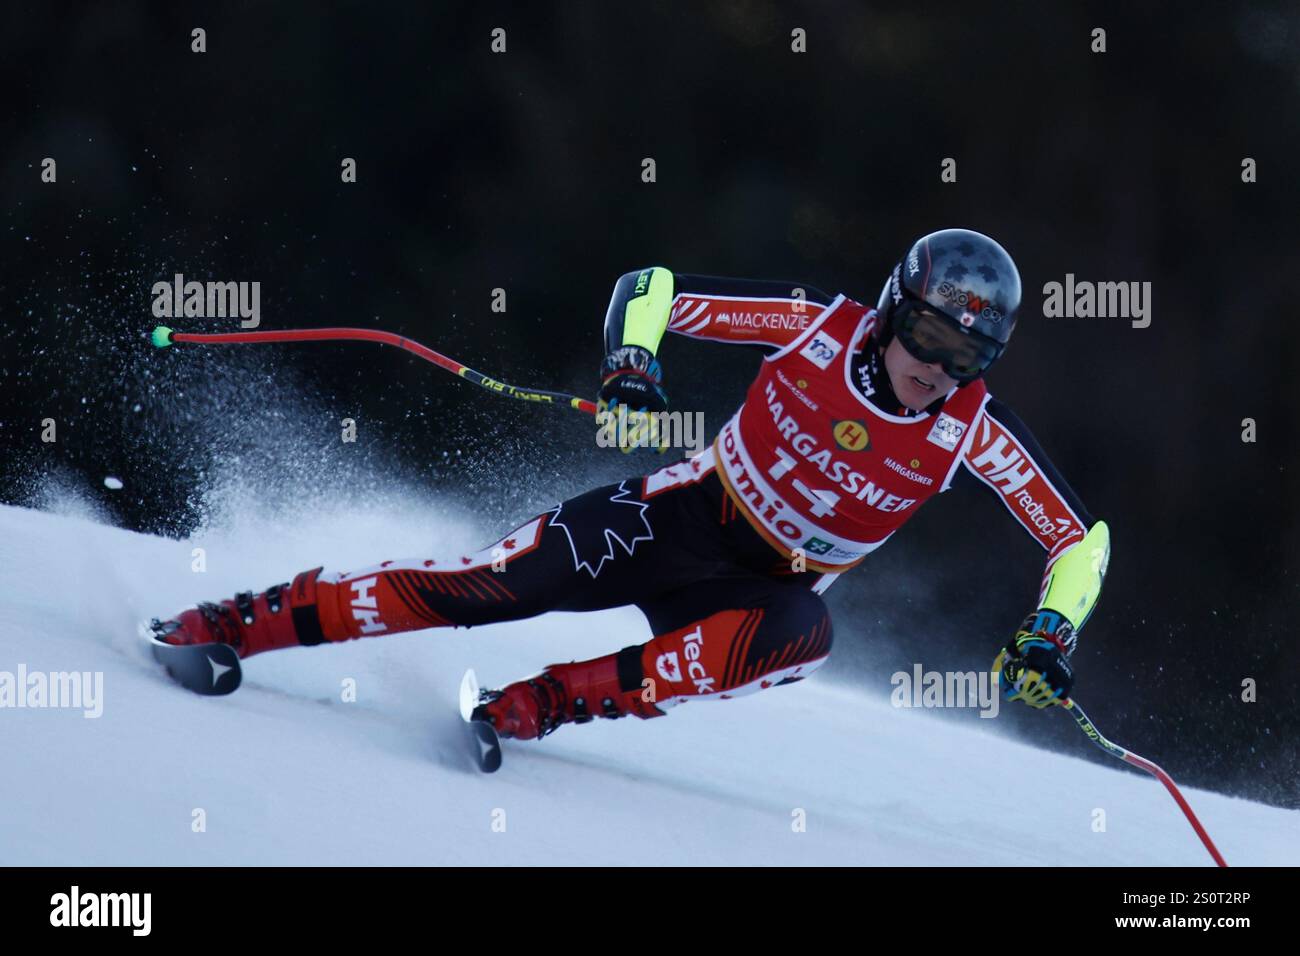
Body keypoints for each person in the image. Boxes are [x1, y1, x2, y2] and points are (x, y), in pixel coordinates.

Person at [152, 228, 1110, 739]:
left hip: (763, 589)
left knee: (804, 638)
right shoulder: (816, 324)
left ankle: (547, 703)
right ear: (899, 309)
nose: (940, 370)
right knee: (495, 589)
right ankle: (242, 622)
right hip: (683, 518)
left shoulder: (972, 428)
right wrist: (633, 365)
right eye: (933, 339)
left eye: (969, 356)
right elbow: (650, 288)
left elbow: (1080, 542)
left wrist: (1051, 632)